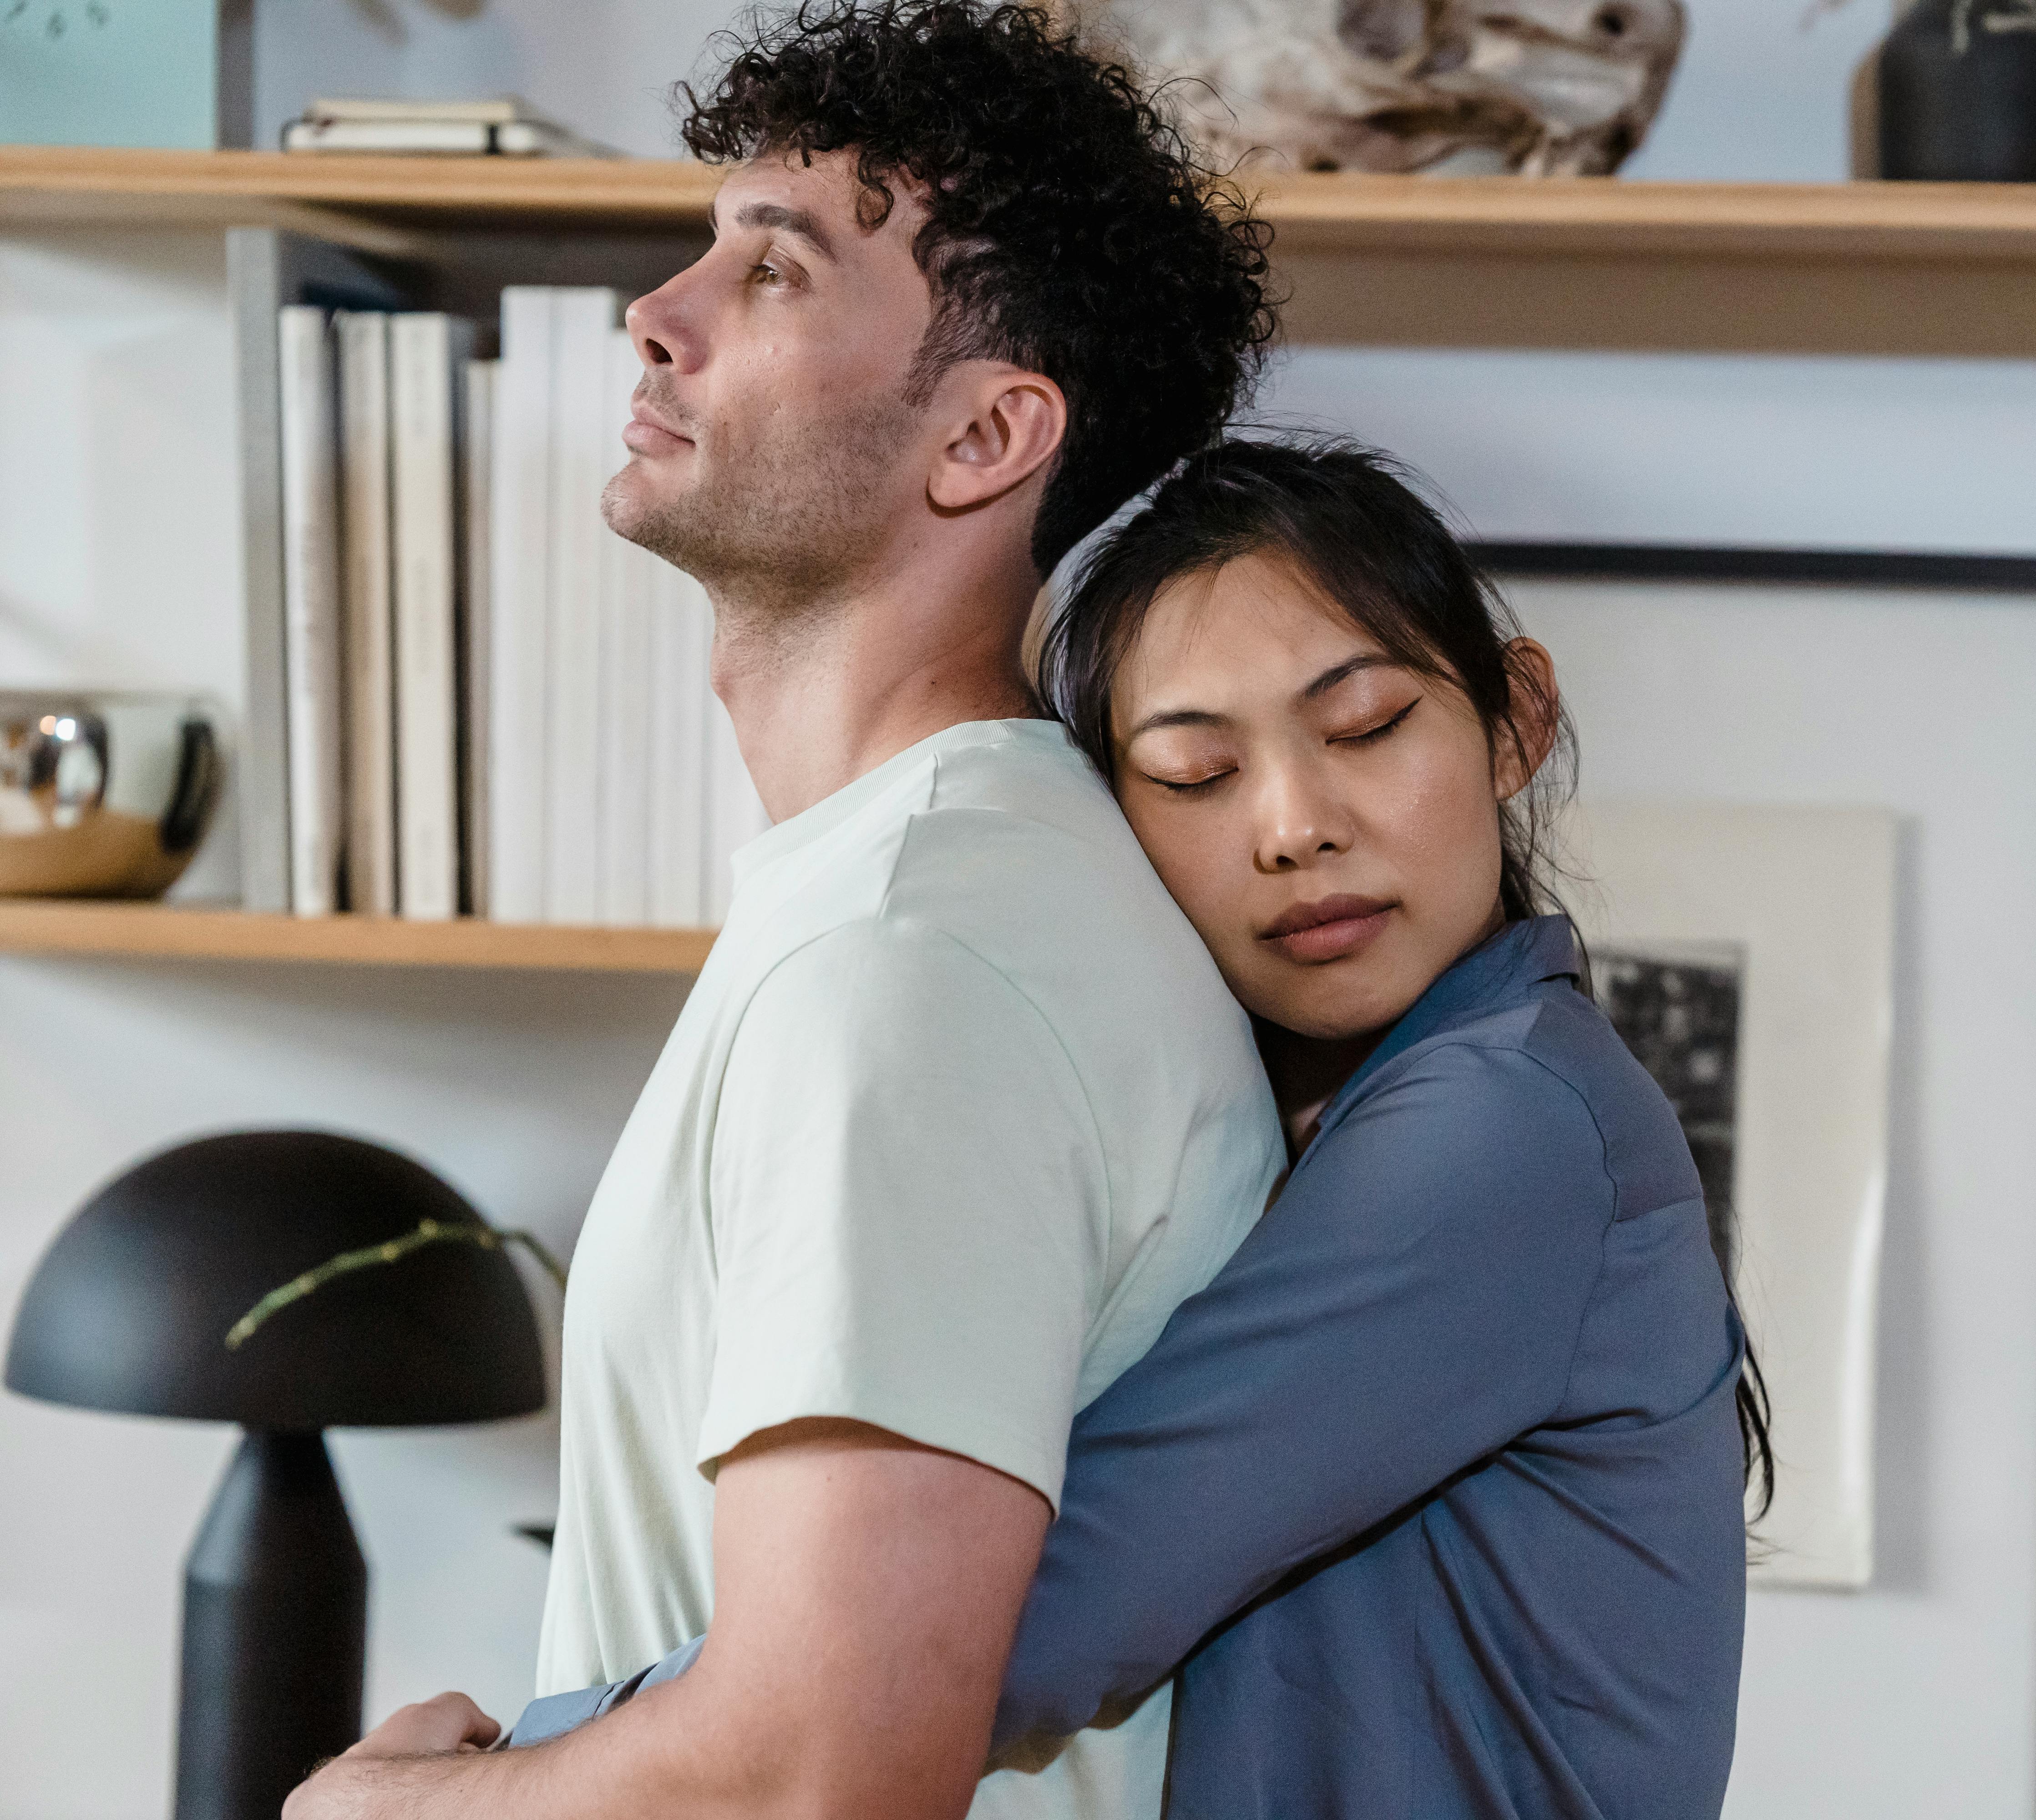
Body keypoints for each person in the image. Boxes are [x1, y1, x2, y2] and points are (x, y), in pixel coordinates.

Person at [284, 6, 1282, 1820]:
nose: (658, 316)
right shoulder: (918, 890)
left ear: (987, 433)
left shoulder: (920, 957)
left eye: (773, 270)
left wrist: (384, 1814)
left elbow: (828, 1767)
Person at [523, 437, 1767, 1817]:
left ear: (1515, 721)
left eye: (1364, 729)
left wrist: (511, 1768)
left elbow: (991, 1633)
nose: (1294, 827)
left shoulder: (1506, 1125)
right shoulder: (1295, 1119)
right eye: (1193, 775)